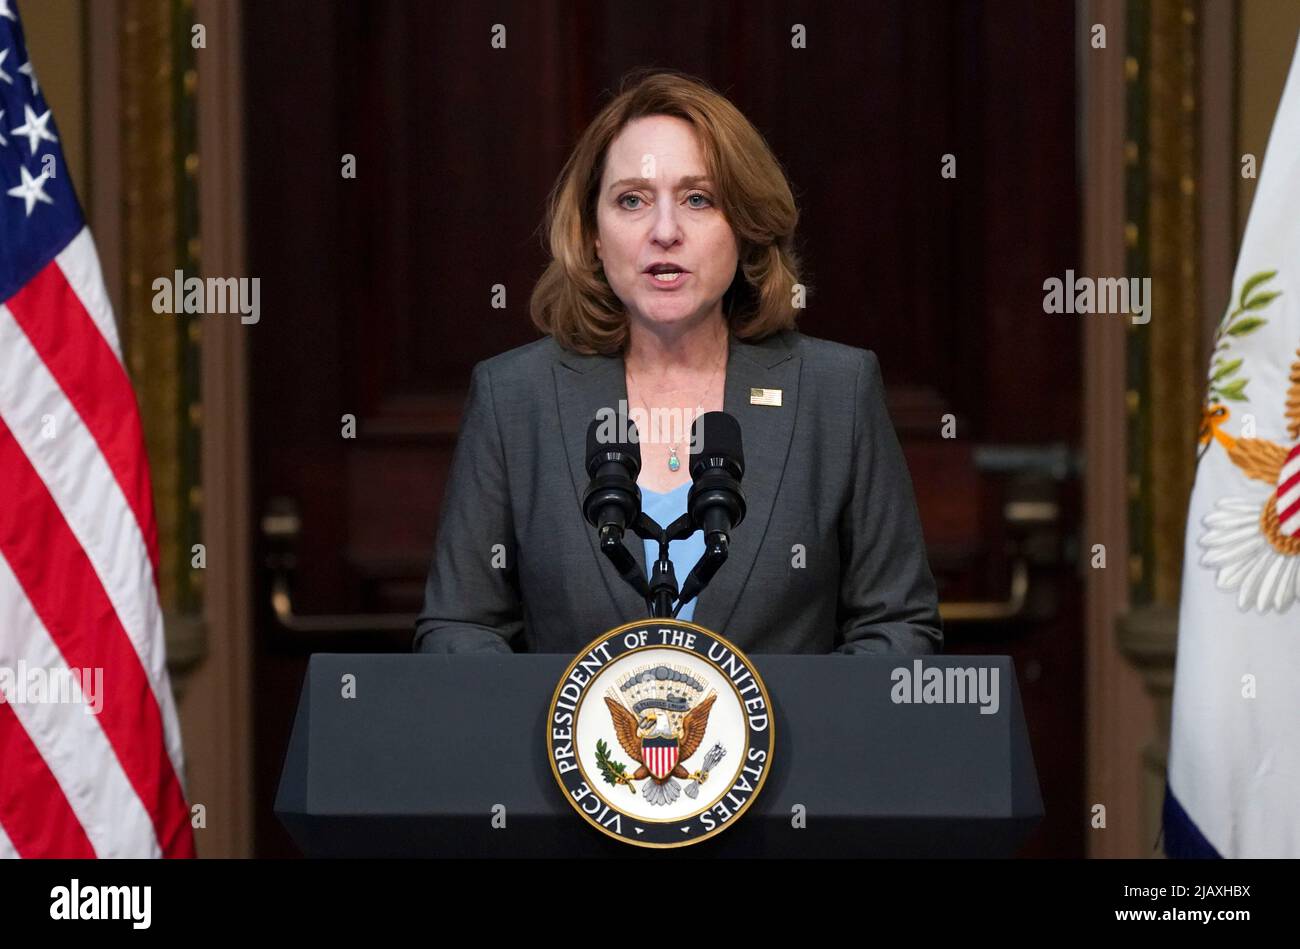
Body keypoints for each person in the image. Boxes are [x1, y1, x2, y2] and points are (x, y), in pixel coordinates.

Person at [414, 70, 942, 655]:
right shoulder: (514, 396)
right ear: (592, 232)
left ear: (743, 224)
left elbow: (898, 628)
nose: (665, 232)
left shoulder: (836, 391)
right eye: (632, 200)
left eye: (698, 198)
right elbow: (461, 629)